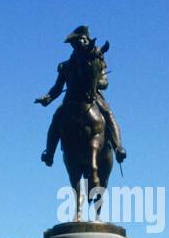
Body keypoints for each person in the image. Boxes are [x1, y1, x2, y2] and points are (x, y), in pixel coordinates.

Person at [36, 26, 127, 166]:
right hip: (71, 100)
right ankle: (49, 153)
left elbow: (105, 82)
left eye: (81, 40)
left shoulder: (96, 59)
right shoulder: (66, 66)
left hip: (93, 97)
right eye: (75, 43)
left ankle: (118, 148)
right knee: (56, 120)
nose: (79, 44)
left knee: (108, 113)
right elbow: (58, 87)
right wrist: (47, 98)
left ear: (87, 40)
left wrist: (95, 83)